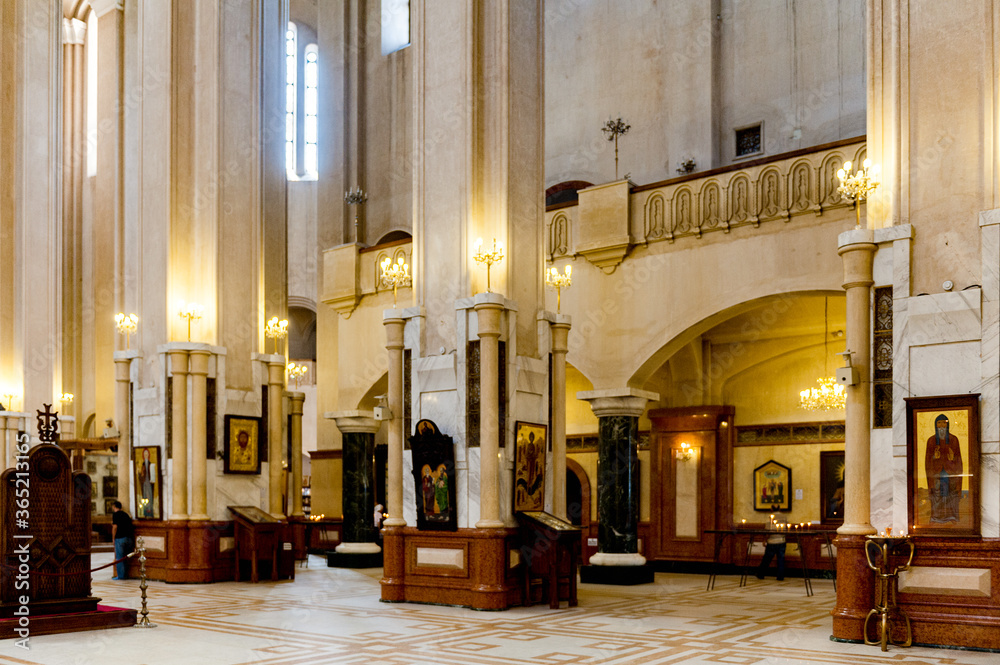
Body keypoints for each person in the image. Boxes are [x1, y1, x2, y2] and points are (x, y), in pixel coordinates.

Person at [925, 414, 963, 523]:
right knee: (937, 495)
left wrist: (952, 458)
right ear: (935, 425)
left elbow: (958, 459)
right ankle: (936, 517)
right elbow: (928, 460)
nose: (941, 426)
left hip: (950, 472)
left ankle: (952, 516)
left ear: (947, 425)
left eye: (943, 423)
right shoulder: (931, 440)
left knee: (951, 494)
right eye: (939, 423)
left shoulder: (954, 439)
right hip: (936, 473)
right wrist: (934, 457)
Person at [756, 516, 786, 581]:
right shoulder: (784, 520)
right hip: (781, 541)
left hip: (772, 542)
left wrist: (764, 540)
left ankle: (761, 574)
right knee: (781, 560)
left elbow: (767, 533)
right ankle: (780, 576)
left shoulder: (769, 522)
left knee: (767, 559)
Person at [110, 501, 134, 580]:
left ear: (114, 506)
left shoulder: (115, 515)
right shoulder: (126, 514)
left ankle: (121, 576)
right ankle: (126, 574)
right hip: (129, 538)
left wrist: (113, 538)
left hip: (120, 538)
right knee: (125, 557)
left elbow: (115, 527)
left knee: (119, 558)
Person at [137, 448, 156, 518]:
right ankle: (145, 511)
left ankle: (150, 511)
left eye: (147, 454)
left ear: (148, 455)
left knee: (149, 496)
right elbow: (141, 474)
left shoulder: (150, 464)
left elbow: (153, 473)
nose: (146, 455)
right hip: (144, 482)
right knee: (145, 496)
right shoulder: (143, 464)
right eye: (144, 454)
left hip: (149, 482)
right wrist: (138, 473)